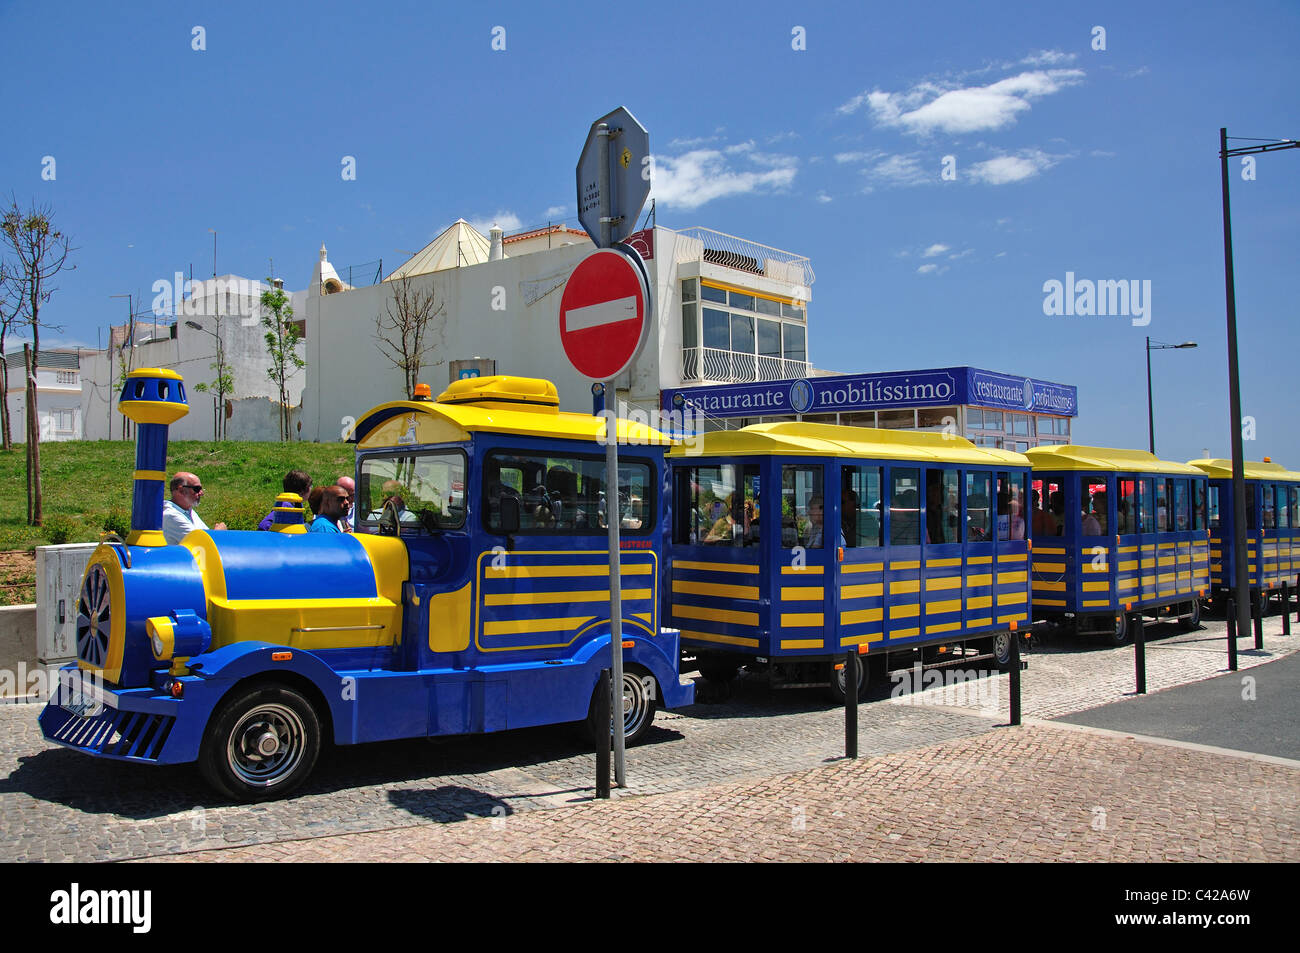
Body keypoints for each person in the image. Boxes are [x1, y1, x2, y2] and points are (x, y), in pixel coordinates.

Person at [162, 472, 226, 544]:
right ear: (181, 490)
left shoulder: (188, 511)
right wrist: (219, 533)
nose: (201, 493)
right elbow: (203, 545)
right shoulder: (171, 516)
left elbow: (206, 536)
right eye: (197, 489)